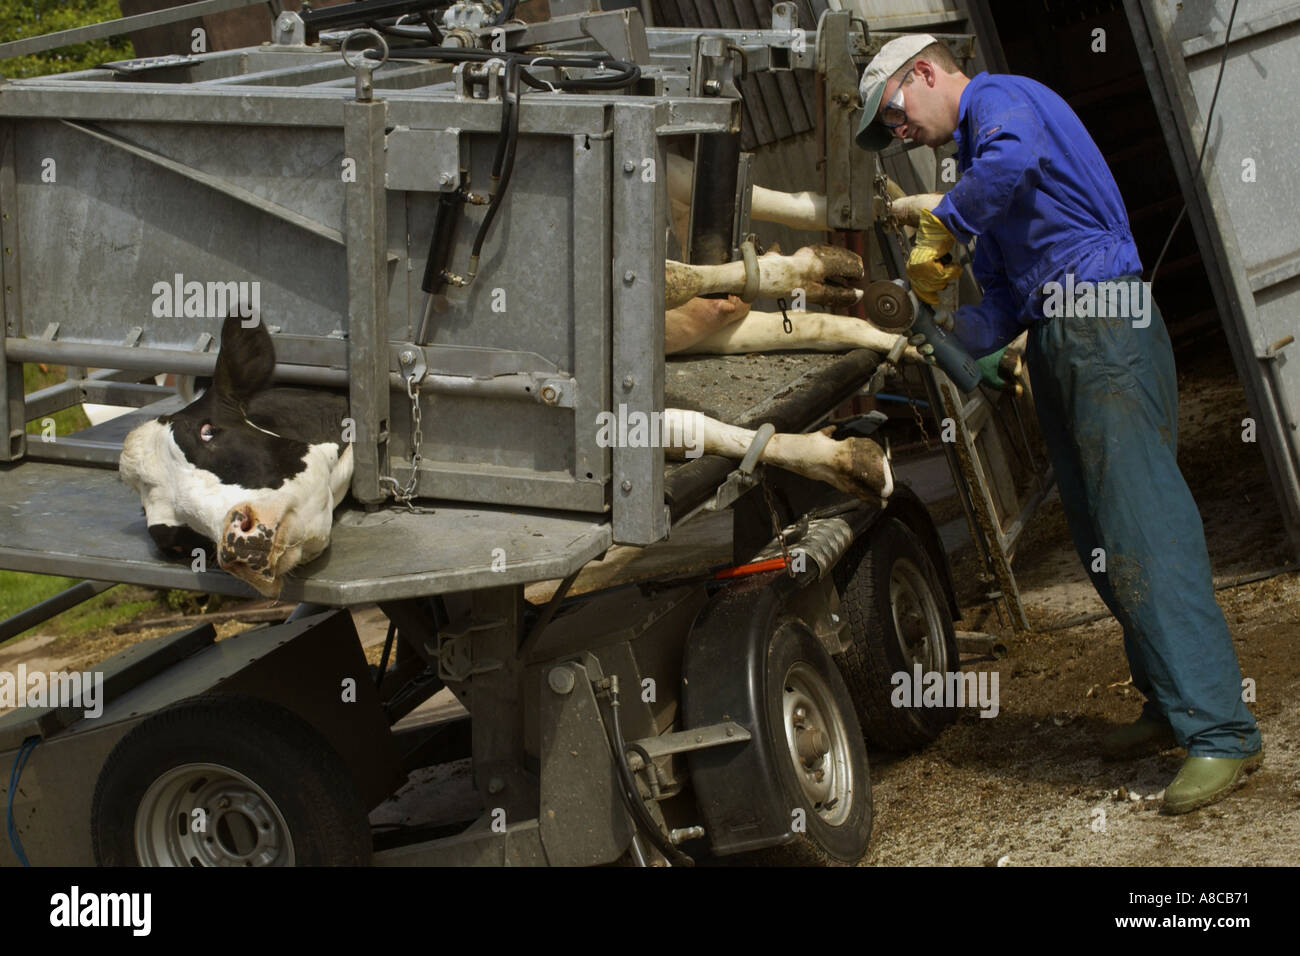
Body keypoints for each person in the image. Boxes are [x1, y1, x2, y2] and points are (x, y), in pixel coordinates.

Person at [855, 34, 1262, 814]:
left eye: (895, 114)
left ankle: (1223, 730)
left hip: (1104, 321)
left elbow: (1001, 171)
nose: (899, 134)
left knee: (1144, 529)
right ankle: (1169, 704)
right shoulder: (981, 163)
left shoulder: (1003, 102)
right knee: (1104, 543)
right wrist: (926, 328)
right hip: (1059, 336)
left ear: (928, 73)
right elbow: (1004, 301)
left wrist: (944, 227)